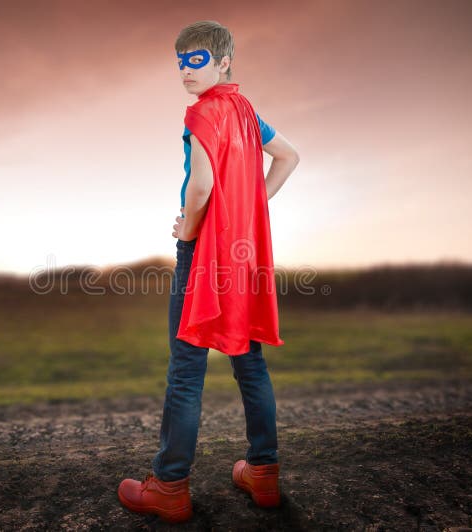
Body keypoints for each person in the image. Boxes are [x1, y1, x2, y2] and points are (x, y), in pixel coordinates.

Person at [118, 20, 300, 523]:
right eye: (180, 60)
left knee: (186, 371)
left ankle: (169, 485)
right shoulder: (245, 112)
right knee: (250, 362)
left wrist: (189, 230)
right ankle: (263, 474)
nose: (185, 70)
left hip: (204, 253)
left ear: (223, 63)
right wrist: (247, 208)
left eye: (196, 59)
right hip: (242, 252)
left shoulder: (201, 114)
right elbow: (288, 156)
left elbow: (198, 187)